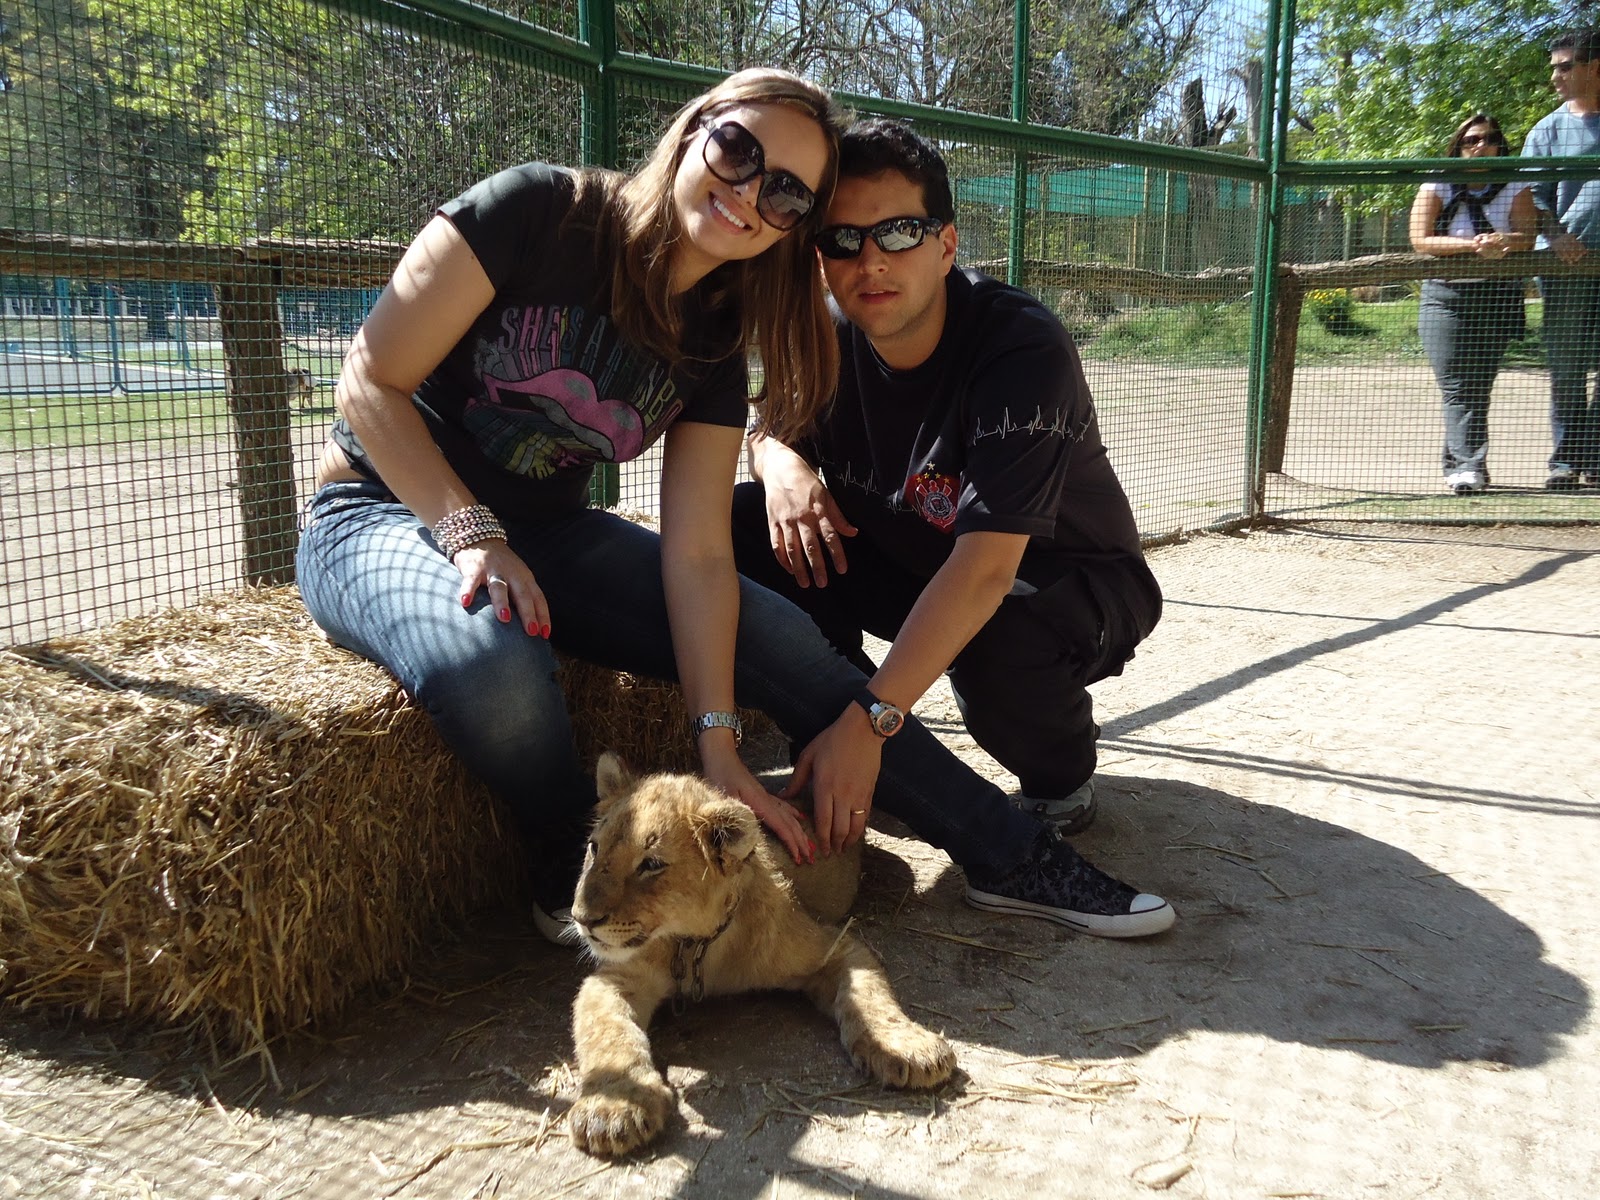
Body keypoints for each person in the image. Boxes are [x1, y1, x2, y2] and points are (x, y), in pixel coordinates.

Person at [297, 69, 848, 939]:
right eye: (739, 150)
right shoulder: (533, 209)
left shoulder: (712, 337)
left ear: (794, 226)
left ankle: (994, 843)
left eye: (784, 191)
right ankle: (576, 850)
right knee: (496, 670)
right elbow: (369, 382)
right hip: (375, 509)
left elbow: (701, 556)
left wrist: (718, 745)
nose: (748, 191)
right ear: (697, 129)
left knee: (777, 633)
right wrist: (468, 530)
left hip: (547, 532)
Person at [732, 119, 1169, 933]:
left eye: (899, 231)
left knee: (993, 639)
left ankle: (1059, 777)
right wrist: (778, 462)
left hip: (1066, 584)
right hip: (915, 563)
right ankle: (829, 745)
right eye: (844, 239)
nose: (871, 261)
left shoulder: (1018, 346)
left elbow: (984, 573)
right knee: (742, 524)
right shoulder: (829, 334)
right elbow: (767, 424)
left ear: (945, 244)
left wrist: (874, 719)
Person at [1408, 113, 1536, 495]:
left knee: (1478, 385)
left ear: (1501, 145)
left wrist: (1505, 242)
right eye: (1472, 140)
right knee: (1456, 385)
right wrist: (1474, 246)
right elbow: (1420, 239)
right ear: (1459, 146)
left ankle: (1458, 464)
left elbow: (1527, 236)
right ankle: (1470, 467)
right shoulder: (1438, 181)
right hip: (1443, 297)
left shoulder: (1515, 183)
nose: (1481, 145)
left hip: (1497, 295)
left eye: (1490, 138)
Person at [1523, 28, 1600, 490]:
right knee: (1568, 365)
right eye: (1554, 66)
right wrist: (1556, 236)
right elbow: (1533, 196)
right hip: (1567, 267)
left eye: (1564, 66)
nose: (1555, 76)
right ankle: (1566, 462)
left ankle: (1596, 456)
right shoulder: (1548, 130)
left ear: (1595, 67)